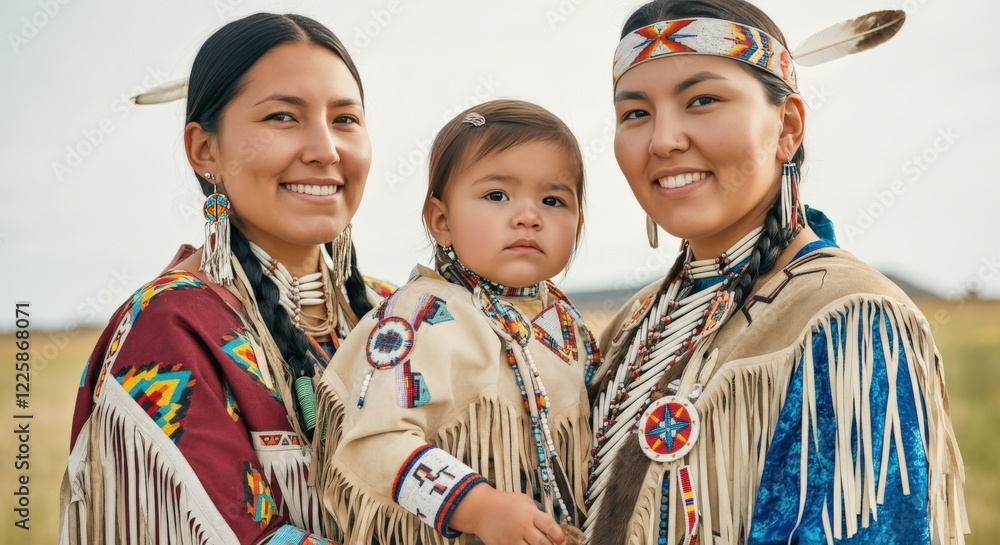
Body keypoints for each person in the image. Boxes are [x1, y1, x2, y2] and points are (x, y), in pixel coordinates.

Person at [583, 1, 969, 544]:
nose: (663, 140)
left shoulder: (849, 321)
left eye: (702, 101)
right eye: (635, 113)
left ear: (787, 126)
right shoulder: (634, 321)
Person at [59, 13, 391, 544]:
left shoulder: (401, 312)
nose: (326, 149)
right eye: (283, 117)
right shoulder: (170, 329)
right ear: (205, 151)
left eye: (346, 119)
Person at [312, 100, 596, 545]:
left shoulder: (570, 326)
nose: (528, 215)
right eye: (497, 195)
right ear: (441, 221)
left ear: (578, 225)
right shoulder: (420, 316)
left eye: (553, 199)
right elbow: (372, 442)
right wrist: (477, 507)